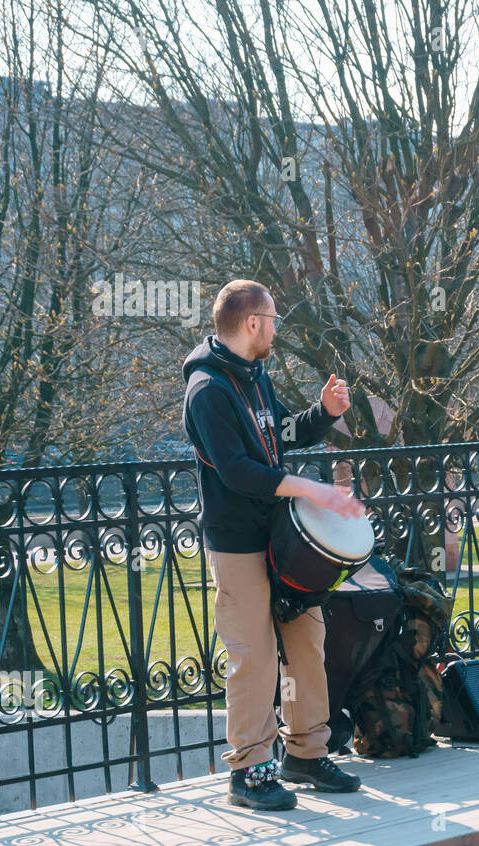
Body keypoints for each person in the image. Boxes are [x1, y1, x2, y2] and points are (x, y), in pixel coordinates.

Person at [183, 279, 368, 810]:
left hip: (281, 537)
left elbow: (281, 432)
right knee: (254, 657)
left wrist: (324, 412)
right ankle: (249, 769)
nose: (276, 329)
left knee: (306, 640)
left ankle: (306, 752)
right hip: (237, 543)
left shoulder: (253, 375)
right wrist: (308, 487)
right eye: (273, 320)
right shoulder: (208, 390)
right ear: (250, 323)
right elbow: (238, 472)